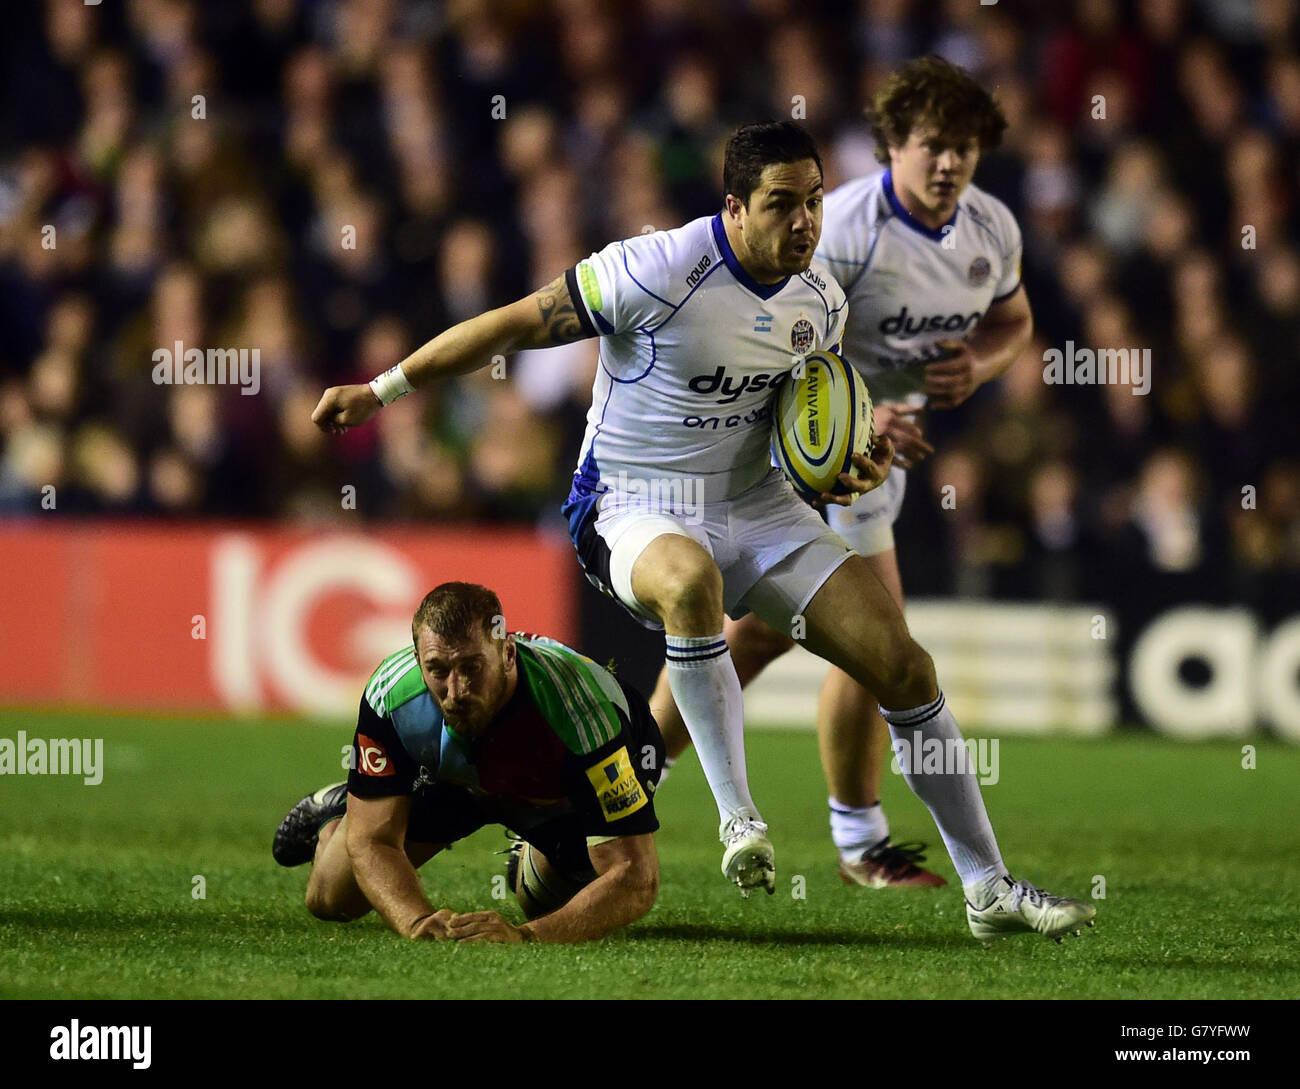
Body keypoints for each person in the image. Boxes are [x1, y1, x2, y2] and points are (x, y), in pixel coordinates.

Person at [311, 120, 1095, 940]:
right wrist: (383, 388)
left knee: (902, 663)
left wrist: (848, 463)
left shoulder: (820, 300)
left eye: (816, 202)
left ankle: (989, 887)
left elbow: (807, 425)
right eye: (782, 204)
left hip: (756, 504)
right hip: (630, 503)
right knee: (691, 584)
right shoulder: (652, 269)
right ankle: (739, 822)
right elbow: (511, 324)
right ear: (734, 207)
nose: (805, 222)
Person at [647, 56, 1036, 893]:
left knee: (747, 639)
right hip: (803, 455)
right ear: (892, 143)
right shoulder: (847, 227)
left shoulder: (993, 230)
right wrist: (860, 415)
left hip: (877, 459)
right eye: (932, 144)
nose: (948, 164)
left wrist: (980, 363)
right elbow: (779, 338)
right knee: (884, 642)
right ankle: (863, 840)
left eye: (965, 148)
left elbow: (1014, 319)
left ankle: (623, 776)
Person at [273, 582, 663, 944]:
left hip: (560, 792)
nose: (456, 692)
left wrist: (526, 937)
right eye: (438, 670)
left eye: (472, 668)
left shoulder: (581, 711)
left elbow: (634, 878)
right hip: (457, 780)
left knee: (551, 905)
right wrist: (416, 921)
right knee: (330, 898)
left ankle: (531, 851)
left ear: (507, 654)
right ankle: (346, 808)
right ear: (418, 661)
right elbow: (374, 841)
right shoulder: (390, 696)